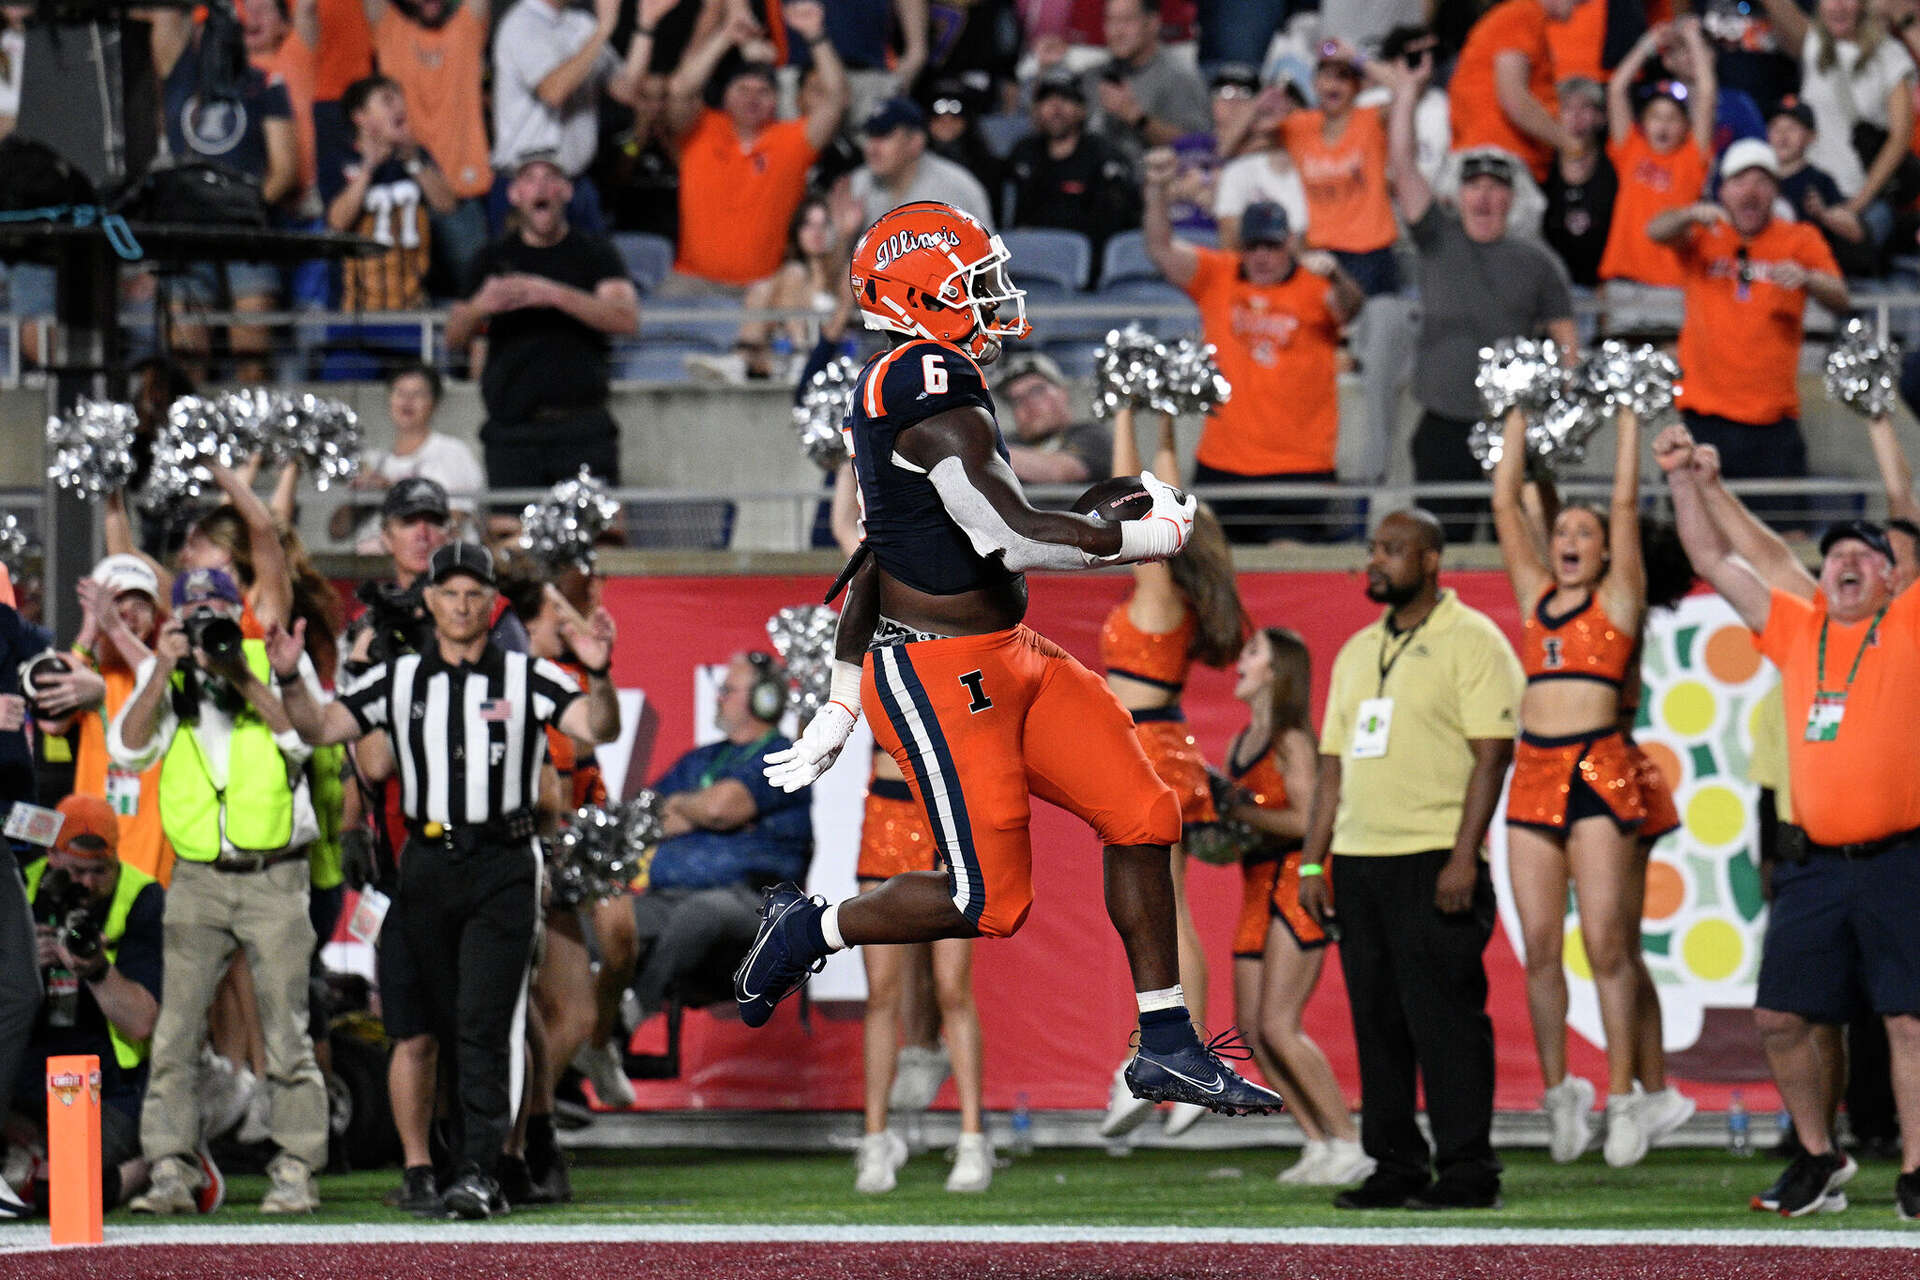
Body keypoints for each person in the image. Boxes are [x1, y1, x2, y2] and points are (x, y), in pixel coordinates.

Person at [730, 200, 1282, 1123]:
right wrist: (1143, 537)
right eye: (972, 283)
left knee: (1144, 811)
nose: (994, 297)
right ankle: (813, 925)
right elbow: (1013, 537)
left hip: (1008, 652)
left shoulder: (919, 381)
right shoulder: (923, 384)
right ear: (917, 297)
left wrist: (837, 694)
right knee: (988, 900)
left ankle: (1167, 1045)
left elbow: (881, 552)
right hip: (938, 674)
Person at [270, 540, 620, 1219]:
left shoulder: (529, 675)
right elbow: (320, 728)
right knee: (434, 1025)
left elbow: (596, 727)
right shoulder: (396, 679)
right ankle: (456, 1164)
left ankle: (481, 1171)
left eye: (473, 593)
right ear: (429, 601)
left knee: (486, 1022)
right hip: (427, 863)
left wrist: (601, 674)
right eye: (449, 593)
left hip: (503, 862)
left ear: (492, 603)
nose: (461, 605)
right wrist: (289, 678)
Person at [1654, 423, 1920, 1220]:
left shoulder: (1909, 628)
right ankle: (1817, 1154)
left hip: (1900, 858)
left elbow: (1902, 524)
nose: (1848, 562)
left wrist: (1883, 435)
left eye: (1868, 554)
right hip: (1815, 864)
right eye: (1836, 554)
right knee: (1779, 1017)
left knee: (1909, 1020)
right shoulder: (1801, 630)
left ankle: (1916, 1167)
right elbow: (1714, 560)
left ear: (1894, 578)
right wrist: (1683, 481)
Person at [1297, 509, 1523, 1210]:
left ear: (1431, 560)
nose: (1376, 559)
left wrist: (1464, 857)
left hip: (1433, 857)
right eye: (1373, 548)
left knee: (1447, 1021)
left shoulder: (1474, 639)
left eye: (1393, 549)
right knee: (1378, 1022)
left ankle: (1468, 1169)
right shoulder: (1358, 650)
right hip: (1359, 859)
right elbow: (1332, 767)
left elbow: (1493, 755)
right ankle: (1395, 1165)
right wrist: (1312, 863)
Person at [1490, 399, 1694, 1169]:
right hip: (1534, 772)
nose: (1572, 540)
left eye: (1586, 533)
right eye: (1563, 532)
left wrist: (1630, 421)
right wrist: (1514, 413)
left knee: (1607, 943)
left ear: (1608, 551)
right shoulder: (1536, 598)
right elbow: (1505, 503)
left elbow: (1624, 502)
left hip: (1600, 771)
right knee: (1542, 947)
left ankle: (1625, 1097)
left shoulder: (1619, 597)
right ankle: (1559, 1094)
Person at [112, 568, 326, 1216]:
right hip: (197, 878)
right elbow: (127, 749)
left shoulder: (275, 661)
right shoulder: (166, 670)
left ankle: (296, 1168)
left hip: (275, 873)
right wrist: (160, 668)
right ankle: (170, 1170)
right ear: (176, 617)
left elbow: (303, 740)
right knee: (175, 1033)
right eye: (195, 607)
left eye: (218, 605)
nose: (207, 616)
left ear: (239, 611)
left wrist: (240, 673)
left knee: (287, 1032)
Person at [1094, 405, 1249, 1142]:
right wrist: (1159, 427)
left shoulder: (1158, 591)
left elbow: (1137, 494)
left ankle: (1175, 1062)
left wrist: (1131, 414)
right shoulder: (1167, 596)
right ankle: (1171, 1062)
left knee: (1164, 914)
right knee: (1161, 912)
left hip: (1150, 751)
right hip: (1154, 749)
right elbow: (1150, 491)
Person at [1385, 51, 1577, 543]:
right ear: (1458, 194)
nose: (1485, 196)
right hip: (1442, 422)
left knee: (1518, 549)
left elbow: (1566, 337)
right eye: (1474, 186)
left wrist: (1559, 402)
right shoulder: (1437, 236)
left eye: (1496, 187)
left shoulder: (1538, 261)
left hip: (1512, 425)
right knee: (1437, 545)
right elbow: (1402, 167)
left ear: (1512, 198)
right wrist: (1406, 94)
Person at [1145, 150, 1364, 544]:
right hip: (1222, 463)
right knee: (1214, 567)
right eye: (1253, 246)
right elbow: (1161, 249)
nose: (1262, 256)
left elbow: (1351, 308)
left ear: (1290, 243)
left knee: (1288, 566)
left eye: (1272, 246)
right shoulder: (1218, 275)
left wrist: (1337, 275)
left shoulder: (1316, 286)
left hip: (1299, 467)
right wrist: (1157, 190)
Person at [1221, 627, 1372, 1187]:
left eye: (1253, 652)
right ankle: (1318, 1140)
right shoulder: (1242, 742)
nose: (1241, 661)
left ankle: (1349, 1141)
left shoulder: (1290, 740)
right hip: (1256, 883)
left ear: (1277, 671)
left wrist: (1240, 813)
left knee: (1280, 1024)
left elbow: (1310, 821)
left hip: (1296, 880)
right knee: (1252, 1031)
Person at [1647, 140, 1849, 527]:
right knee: (1689, 536)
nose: (1751, 191)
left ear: (1775, 192)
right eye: (1740, 181)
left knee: (1786, 541)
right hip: (1704, 419)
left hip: (1772, 423)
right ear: (1723, 190)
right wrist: (1689, 213)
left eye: (1762, 181)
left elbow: (1841, 297)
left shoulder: (1799, 238)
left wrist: (1808, 278)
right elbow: (1655, 231)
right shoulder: (1705, 233)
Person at [447, 151, 640, 489]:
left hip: (582, 425)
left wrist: (554, 294)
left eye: (550, 178)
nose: (540, 187)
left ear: (565, 191)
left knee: (602, 521)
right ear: (514, 194)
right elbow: (453, 338)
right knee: (507, 522)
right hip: (511, 430)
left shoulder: (595, 252)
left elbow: (627, 320)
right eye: (529, 179)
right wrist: (480, 306)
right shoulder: (491, 258)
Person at [12, 797, 164, 1212]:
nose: (88, 884)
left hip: (110, 1083)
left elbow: (142, 1023)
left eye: (101, 871)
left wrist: (96, 968)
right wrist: (19, 966)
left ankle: (155, 1164)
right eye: (76, 871)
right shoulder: (18, 890)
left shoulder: (142, 898)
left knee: (62, 1194)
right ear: (52, 855)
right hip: (26, 1076)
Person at [148, 8, 298, 383]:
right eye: (207, 32)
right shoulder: (179, 76)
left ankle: (250, 419)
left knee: (252, 351)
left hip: (247, 231)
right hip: (187, 230)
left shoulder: (264, 83)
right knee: (185, 354)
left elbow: (284, 168)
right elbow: (165, 18)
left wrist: (243, 210)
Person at [663, 2, 848, 291]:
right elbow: (679, 89)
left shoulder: (792, 141)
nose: (752, 98)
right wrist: (725, 36)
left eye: (763, 91)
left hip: (763, 287)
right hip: (691, 281)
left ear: (776, 101)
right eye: (743, 89)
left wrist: (815, 35)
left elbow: (836, 100)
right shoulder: (701, 130)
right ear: (725, 96)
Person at [31, 559, 170, 885]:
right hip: (93, 857)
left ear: (155, 617)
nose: (126, 615)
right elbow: (52, 724)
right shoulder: (85, 673)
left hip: (155, 858)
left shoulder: (165, 671)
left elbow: (160, 682)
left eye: (140, 606)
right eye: (115, 604)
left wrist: (114, 627)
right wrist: (90, 629)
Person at [1760, 0, 1916, 261]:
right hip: (1813, 191)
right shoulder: (1813, 43)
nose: (1838, 6)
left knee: (1855, 254)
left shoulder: (1890, 54)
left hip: (1863, 197)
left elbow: (1900, 137)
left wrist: (1857, 204)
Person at [366, 0, 494, 294]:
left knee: (478, 299)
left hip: (462, 195)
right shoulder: (390, 29)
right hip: (402, 197)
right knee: (399, 305)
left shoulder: (466, 29)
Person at [1598, 22, 1716, 341]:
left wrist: (1693, 39)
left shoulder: (1691, 157)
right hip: (1624, 283)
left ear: (1685, 126)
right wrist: (1648, 43)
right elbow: (1616, 88)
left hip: (1672, 285)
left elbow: (1706, 94)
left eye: (1672, 118)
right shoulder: (1631, 150)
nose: (1663, 126)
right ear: (1644, 123)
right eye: (1655, 117)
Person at [489, 0, 648, 233]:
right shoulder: (521, 24)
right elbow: (553, 92)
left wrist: (646, 26)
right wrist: (603, 30)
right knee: (524, 259)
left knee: (595, 257)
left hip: (576, 184)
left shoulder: (582, 23)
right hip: (525, 188)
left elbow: (627, 90)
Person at [323, 75, 458, 312]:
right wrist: (368, 169)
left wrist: (414, 161)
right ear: (360, 116)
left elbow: (447, 205)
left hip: (414, 307)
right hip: (355, 310)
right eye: (387, 100)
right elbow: (337, 222)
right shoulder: (340, 159)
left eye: (400, 99)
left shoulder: (416, 158)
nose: (400, 107)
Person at [1282, 42, 1399, 296]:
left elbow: (1406, 90)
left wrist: (1356, 57)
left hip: (1370, 253)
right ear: (1314, 83)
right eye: (1326, 77)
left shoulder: (1371, 120)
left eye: (1343, 77)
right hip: (1318, 254)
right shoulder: (1299, 126)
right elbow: (1229, 146)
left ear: (1357, 87)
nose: (1333, 85)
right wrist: (1262, 102)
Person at [331, 364, 486, 551]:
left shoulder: (453, 452)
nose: (407, 401)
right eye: (400, 393)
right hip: (373, 562)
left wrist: (391, 490)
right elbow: (337, 532)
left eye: (418, 394)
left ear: (435, 402)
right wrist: (360, 498)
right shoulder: (374, 461)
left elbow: (454, 520)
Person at [1450, 0, 1588, 183]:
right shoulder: (1520, 16)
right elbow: (1514, 97)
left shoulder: (1523, 17)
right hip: (1498, 165)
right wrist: (1569, 143)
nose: (1585, 3)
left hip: (1497, 161)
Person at [1007, 69, 1141, 255]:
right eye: (1047, 100)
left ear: (1082, 109)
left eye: (1066, 99)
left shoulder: (1104, 156)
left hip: (1087, 259)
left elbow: (1116, 223)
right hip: (1031, 255)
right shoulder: (1023, 152)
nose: (1056, 107)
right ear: (1036, 110)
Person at [851, 97, 997, 230]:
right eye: (870, 136)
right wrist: (845, 238)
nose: (872, 148)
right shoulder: (857, 185)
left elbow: (989, 249)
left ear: (915, 141)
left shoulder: (956, 188)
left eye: (884, 136)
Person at [1090, 0, 1211, 158]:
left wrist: (1137, 118)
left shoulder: (1179, 77)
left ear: (1153, 23)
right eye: (1110, 21)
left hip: (1154, 171)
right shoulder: (1093, 75)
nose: (1117, 32)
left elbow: (1199, 147)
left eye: (1127, 20)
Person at [1767, 95, 1872, 275]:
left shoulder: (1820, 181)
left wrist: (1823, 214)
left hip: (1809, 273)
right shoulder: (1757, 176)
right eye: (1776, 128)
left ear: (1811, 136)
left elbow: (1857, 233)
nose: (1783, 136)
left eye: (1792, 128)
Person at [993, 353, 1112, 486]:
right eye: (1017, 400)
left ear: (1063, 393)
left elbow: (1063, 471)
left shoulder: (1092, 436)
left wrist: (985, 453)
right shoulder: (1007, 442)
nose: (1028, 403)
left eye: (1036, 391)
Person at [1542, 76, 1617, 287]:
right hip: (1551, 284)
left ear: (1601, 117)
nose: (1576, 116)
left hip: (1602, 285)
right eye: (1567, 108)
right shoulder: (1542, 165)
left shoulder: (1616, 163)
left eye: (1585, 107)